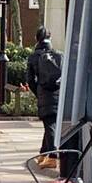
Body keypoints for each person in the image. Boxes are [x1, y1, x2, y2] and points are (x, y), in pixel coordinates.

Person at [26, 26, 63, 171]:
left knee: (49, 125)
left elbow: (30, 80)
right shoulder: (58, 55)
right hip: (58, 93)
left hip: (44, 94)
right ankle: (43, 153)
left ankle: (53, 157)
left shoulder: (34, 57)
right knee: (50, 123)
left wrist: (38, 92)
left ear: (37, 39)